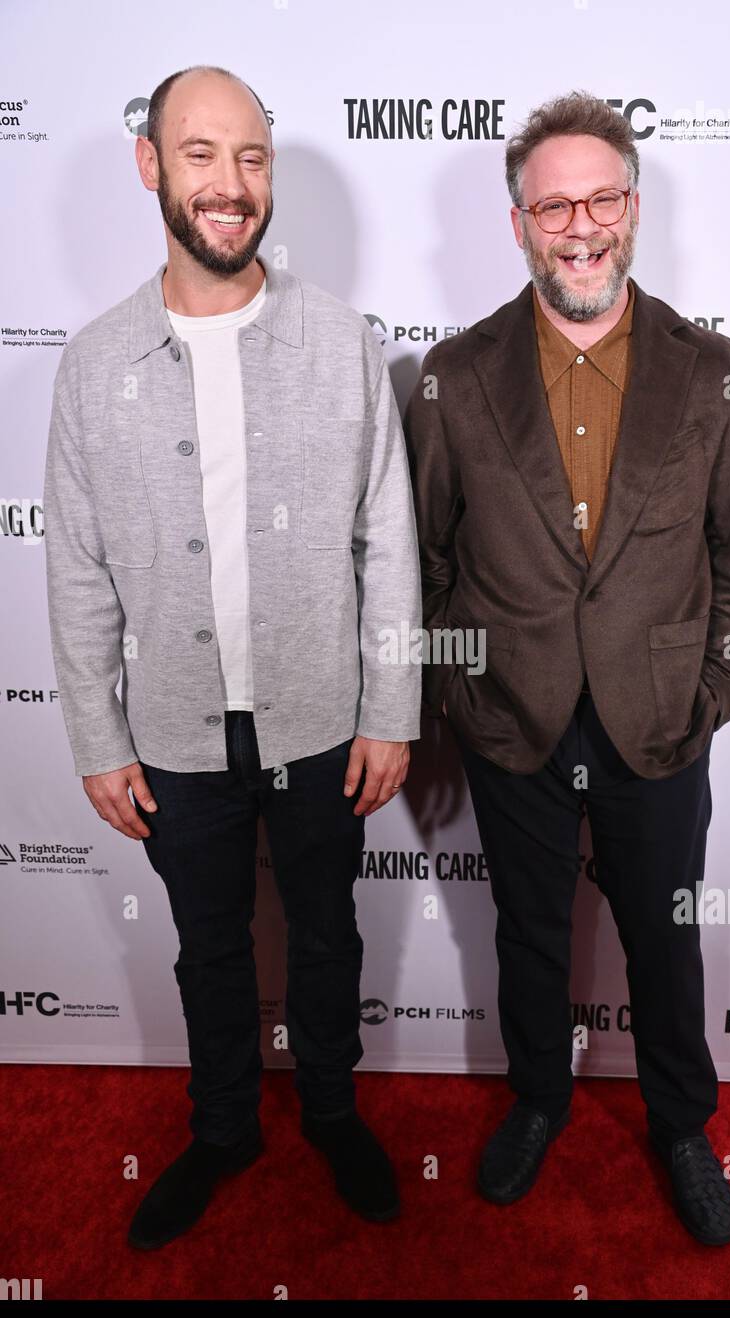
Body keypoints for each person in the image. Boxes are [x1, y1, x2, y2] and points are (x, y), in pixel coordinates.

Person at [43, 65, 421, 1248]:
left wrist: (392, 707)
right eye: (200, 155)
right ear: (151, 166)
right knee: (208, 945)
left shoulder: (341, 341)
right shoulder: (93, 363)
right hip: (170, 726)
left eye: (251, 158)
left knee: (326, 933)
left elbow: (390, 540)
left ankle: (329, 1107)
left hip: (322, 718)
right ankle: (221, 1129)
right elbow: (77, 568)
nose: (229, 183)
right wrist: (98, 739)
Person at [404, 89, 730, 1246]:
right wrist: (458, 693)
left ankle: (679, 1121)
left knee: (665, 933)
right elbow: (423, 560)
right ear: (517, 222)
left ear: (634, 208)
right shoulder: (451, 378)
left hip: (658, 715)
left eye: (601, 196)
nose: (579, 223)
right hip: (511, 720)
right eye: (552, 202)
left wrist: (710, 688)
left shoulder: (710, 370)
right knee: (526, 932)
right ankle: (538, 1097)